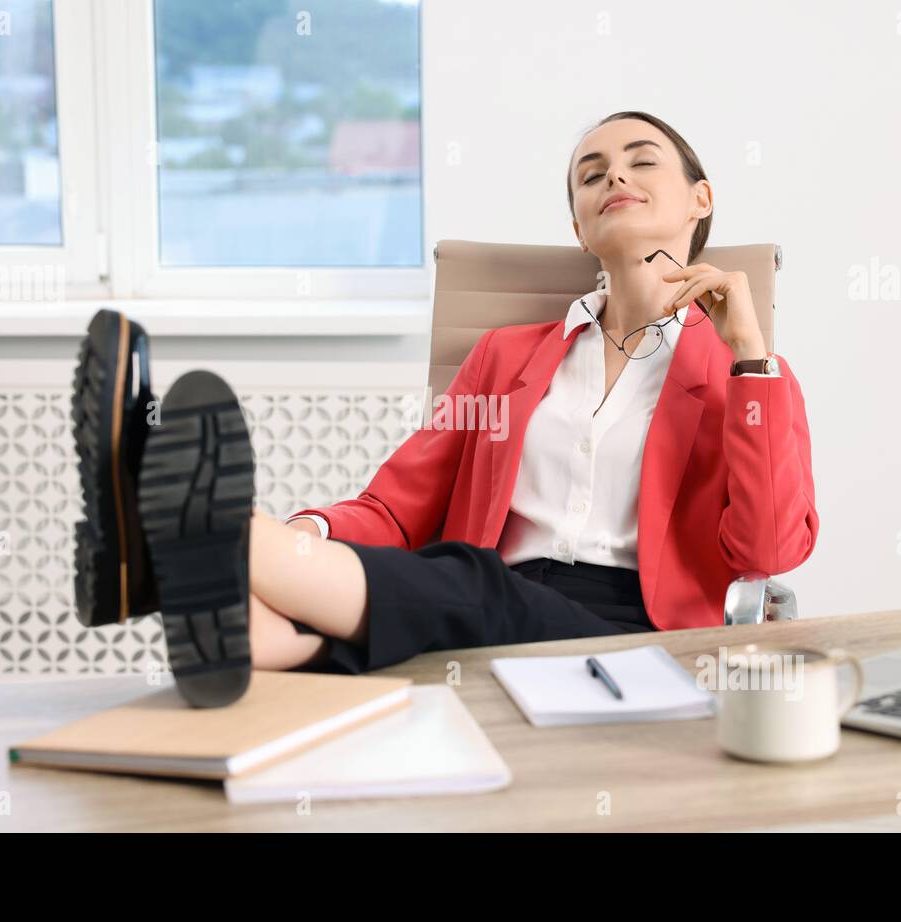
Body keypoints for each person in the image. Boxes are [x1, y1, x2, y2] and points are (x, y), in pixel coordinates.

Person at [71, 111, 818, 708]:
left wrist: (751, 358)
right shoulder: (505, 356)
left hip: (633, 634)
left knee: (469, 581)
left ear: (701, 199)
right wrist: (309, 536)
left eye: (640, 159)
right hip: (477, 599)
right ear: (580, 228)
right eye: (591, 174)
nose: (614, 173)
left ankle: (161, 541)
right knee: (309, 616)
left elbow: (765, 553)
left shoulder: (746, 376)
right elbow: (398, 509)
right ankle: (239, 621)